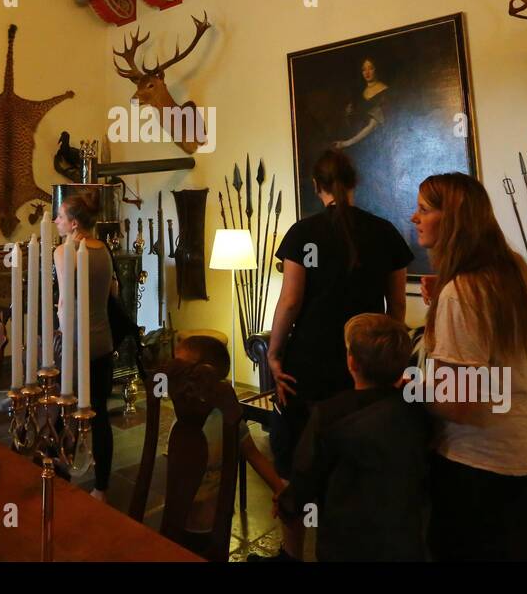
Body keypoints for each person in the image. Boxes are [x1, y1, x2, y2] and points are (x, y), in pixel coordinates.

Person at [261, 148, 413, 561]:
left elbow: (289, 303)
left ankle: (292, 553)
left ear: (317, 187)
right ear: (353, 183)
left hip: (308, 361)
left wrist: (273, 355)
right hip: (362, 362)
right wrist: (394, 363)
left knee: (296, 460)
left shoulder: (303, 233)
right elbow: (396, 308)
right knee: (351, 461)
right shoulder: (385, 232)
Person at [411, 172, 527, 561]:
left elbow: (461, 404)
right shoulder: (513, 274)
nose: (414, 217)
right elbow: (493, 366)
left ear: (453, 219)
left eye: (424, 209)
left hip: (475, 466)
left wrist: (407, 387)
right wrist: (439, 306)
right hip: (526, 455)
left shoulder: (463, 292)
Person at [276, 313, 429, 561]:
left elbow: (306, 471)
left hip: (344, 539)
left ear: (351, 362)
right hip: (402, 535)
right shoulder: (416, 410)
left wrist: (289, 502)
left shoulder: (327, 414)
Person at [172, 334, 283, 535]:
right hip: (178, 513)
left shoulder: (228, 421)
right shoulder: (183, 413)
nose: (172, 372)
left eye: (180, 367)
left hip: (209, 519)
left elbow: (254, 455)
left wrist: (280, 489)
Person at [53, 193, 116, 501]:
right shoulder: (103, 249)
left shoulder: (64, 252)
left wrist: (61, 331)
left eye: (60, 217)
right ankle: (101, 488)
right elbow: (111, 291)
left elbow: (65, 300)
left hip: (78, 343)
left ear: (73, 223)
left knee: (64, 409)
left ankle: (59, 475)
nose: (56, 221)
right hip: (103, 340)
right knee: (100, 414)